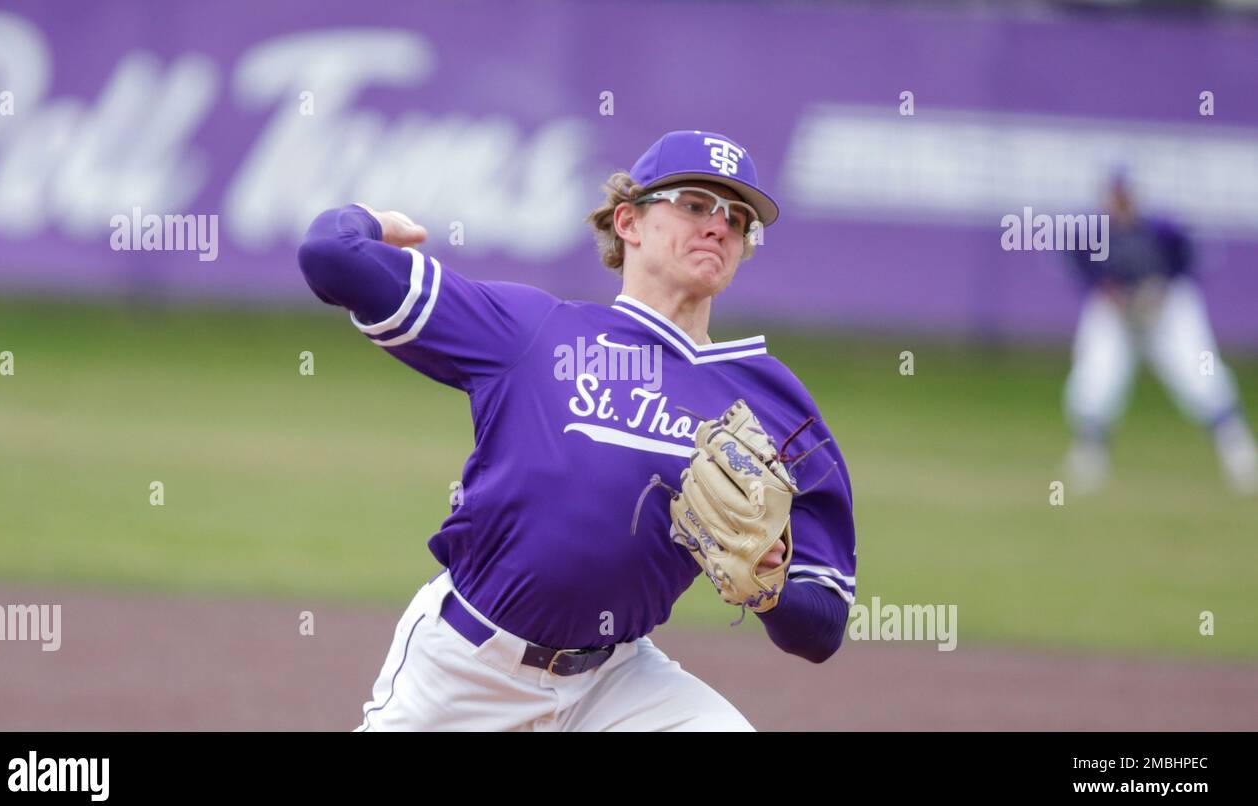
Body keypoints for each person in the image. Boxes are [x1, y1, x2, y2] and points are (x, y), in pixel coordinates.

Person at [297, 130, 856, 731]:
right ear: (628, 222)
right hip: (467, 670)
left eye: (738, 217)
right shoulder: (532, 332)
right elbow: (329, 256)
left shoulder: (774, 403)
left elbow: (821, 625)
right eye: (695, 204)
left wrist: (768, 592)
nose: (719, 225)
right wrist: (368, 221)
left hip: (616, 684)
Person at [1063, 172, 1257, 494]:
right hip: (1117, 312)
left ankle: (1239, 453)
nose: (1120, 202)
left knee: (1200, 374)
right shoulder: (1090, 232)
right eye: (1114, 195)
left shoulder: (1162, 228)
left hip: (1166, 309)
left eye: (1125, 195)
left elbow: (1194, 259)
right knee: (1096, 376)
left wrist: (1161, 288)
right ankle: (1089, 456)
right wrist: (1107, 291)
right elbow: (1079, 270)